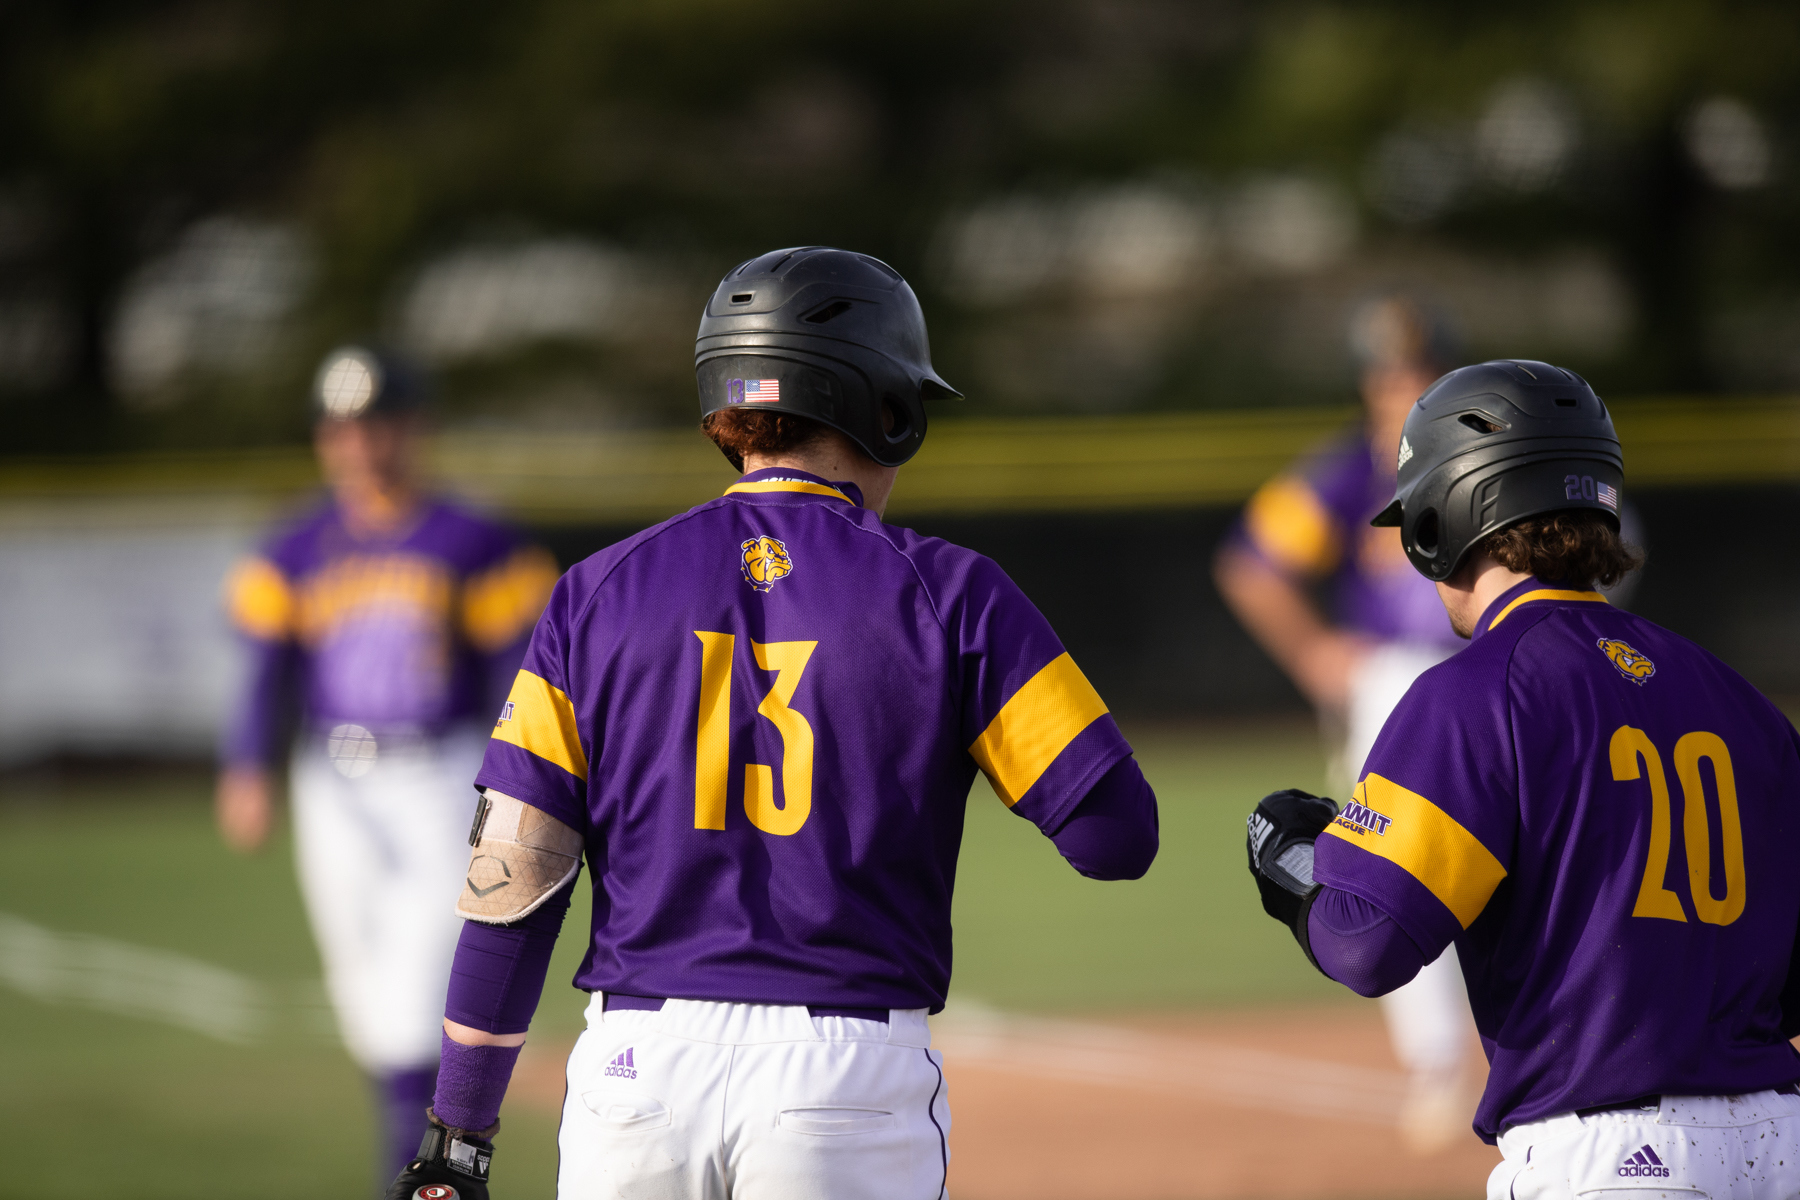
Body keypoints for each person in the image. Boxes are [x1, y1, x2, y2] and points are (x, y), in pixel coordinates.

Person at [385, 246, 1161, 1200]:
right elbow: (1115, 836)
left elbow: (514, 888)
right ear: (884, 405)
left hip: (634, 1081)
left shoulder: (594, 594)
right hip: (846, 1077)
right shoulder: (951, 593)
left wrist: (458, 1135)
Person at [1245, 359, 1800, 1199]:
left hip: (1612, 1162)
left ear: (1446, 518)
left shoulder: (1474, 693)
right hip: (1783, 1141)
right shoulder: (1743, 703)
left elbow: (1365, 943)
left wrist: (1289, 861)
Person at [216, 345, 559, 1185]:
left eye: (378, 424)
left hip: (437, 775)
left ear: (415, 429)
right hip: (331, 781)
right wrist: (247, 766)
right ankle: (413, 1154)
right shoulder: (295, 547)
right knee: (365, 998)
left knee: (412, 994)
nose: (361, 444)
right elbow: (268, 669)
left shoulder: (470, 539)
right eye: (343, 427)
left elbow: (507, 672)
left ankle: (410, 1176)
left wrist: (517, 781)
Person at [1214, 295, 1479, 1149]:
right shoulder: (1351, 471)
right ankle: (1438, 1061)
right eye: (1388, 373)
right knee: (1392, 867)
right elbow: (1252, 563)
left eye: (1417, 370)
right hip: (1395, 679)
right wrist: (1316, 653)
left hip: (1493, 670)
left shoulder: (1483, 451)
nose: (1401, 386)